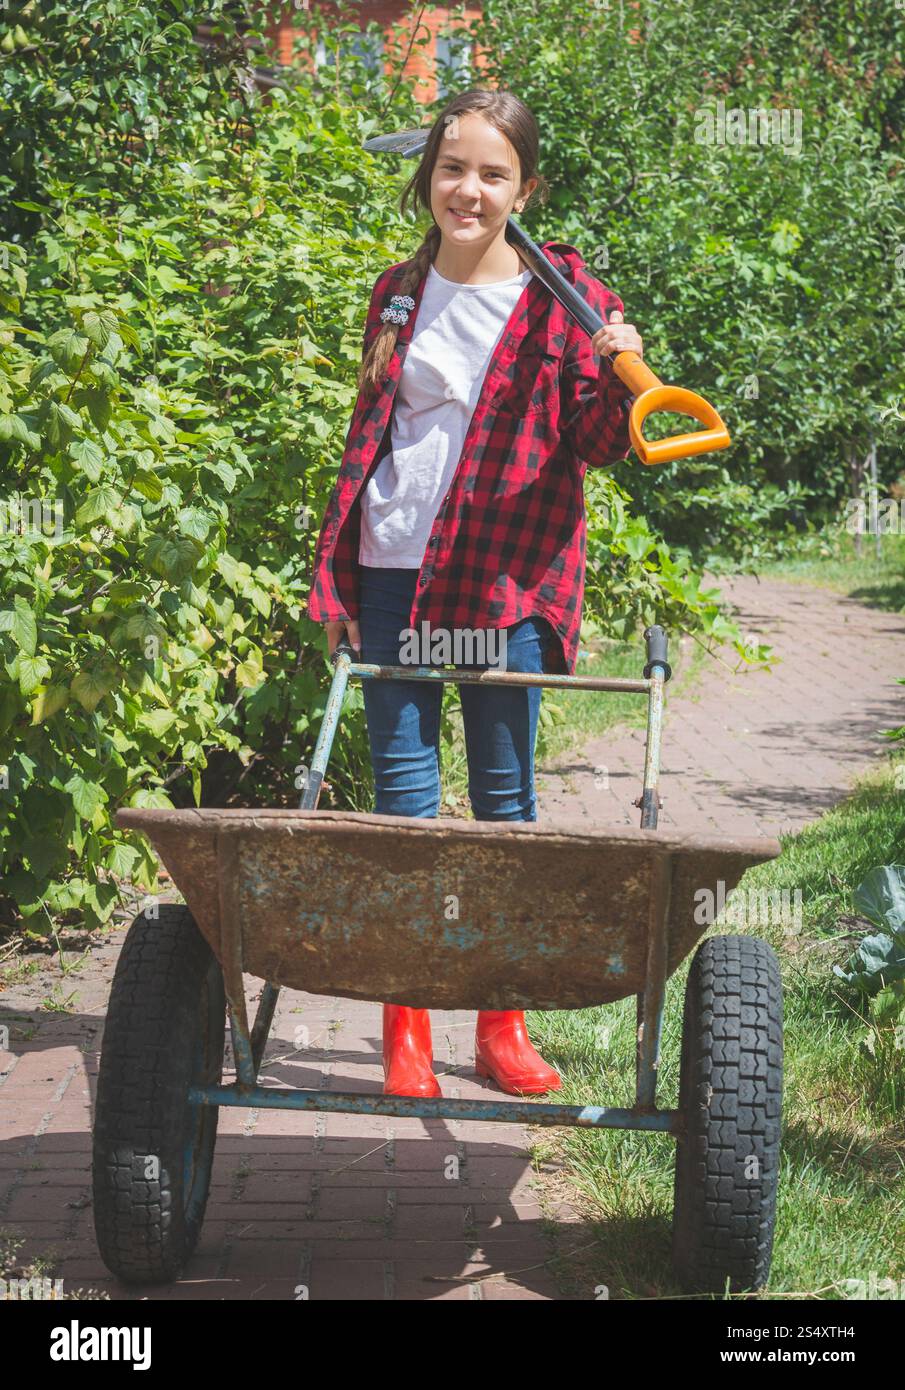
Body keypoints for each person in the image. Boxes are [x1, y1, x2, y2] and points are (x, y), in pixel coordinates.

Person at [306, 87, 643, 1099]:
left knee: (503, 808)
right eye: (452, 167)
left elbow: (588, 444)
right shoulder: (396, 292)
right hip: (395, 573)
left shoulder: (564, 297)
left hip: (505, 576)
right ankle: (405, 1029)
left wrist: (620, 375)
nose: (469, 188)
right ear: (429, 177)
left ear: (523, 188)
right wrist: (342, 567)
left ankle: (501, 1024)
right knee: (405, 815)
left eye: (492, 173)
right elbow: (378, 432)